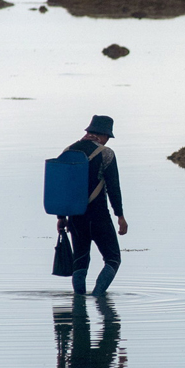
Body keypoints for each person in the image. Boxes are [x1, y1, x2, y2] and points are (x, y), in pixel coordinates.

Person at [57, 115, 128, 295]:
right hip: (99, 217)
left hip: (75, 217)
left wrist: (61, 217)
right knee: (113, 259)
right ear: (103, 135)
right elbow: (114, 188)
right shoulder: (106, 153)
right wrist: (120, 216)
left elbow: (60, 188)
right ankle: (97, 296)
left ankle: (79, 301)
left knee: (80, 261)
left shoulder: (67, 152)